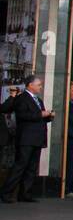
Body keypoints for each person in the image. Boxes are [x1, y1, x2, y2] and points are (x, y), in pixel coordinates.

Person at [0, 75, 55, 203]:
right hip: (26, 138)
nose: (41, 87)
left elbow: (40, 116)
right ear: (30, 85)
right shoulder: (22, 98)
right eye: (39, 85)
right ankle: (6, 192)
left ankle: (25, 193)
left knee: (32, 166)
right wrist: (40, 114)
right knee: (20, 165)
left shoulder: (38, 100)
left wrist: (48, 116)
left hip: (37, 137)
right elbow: (22, 115)